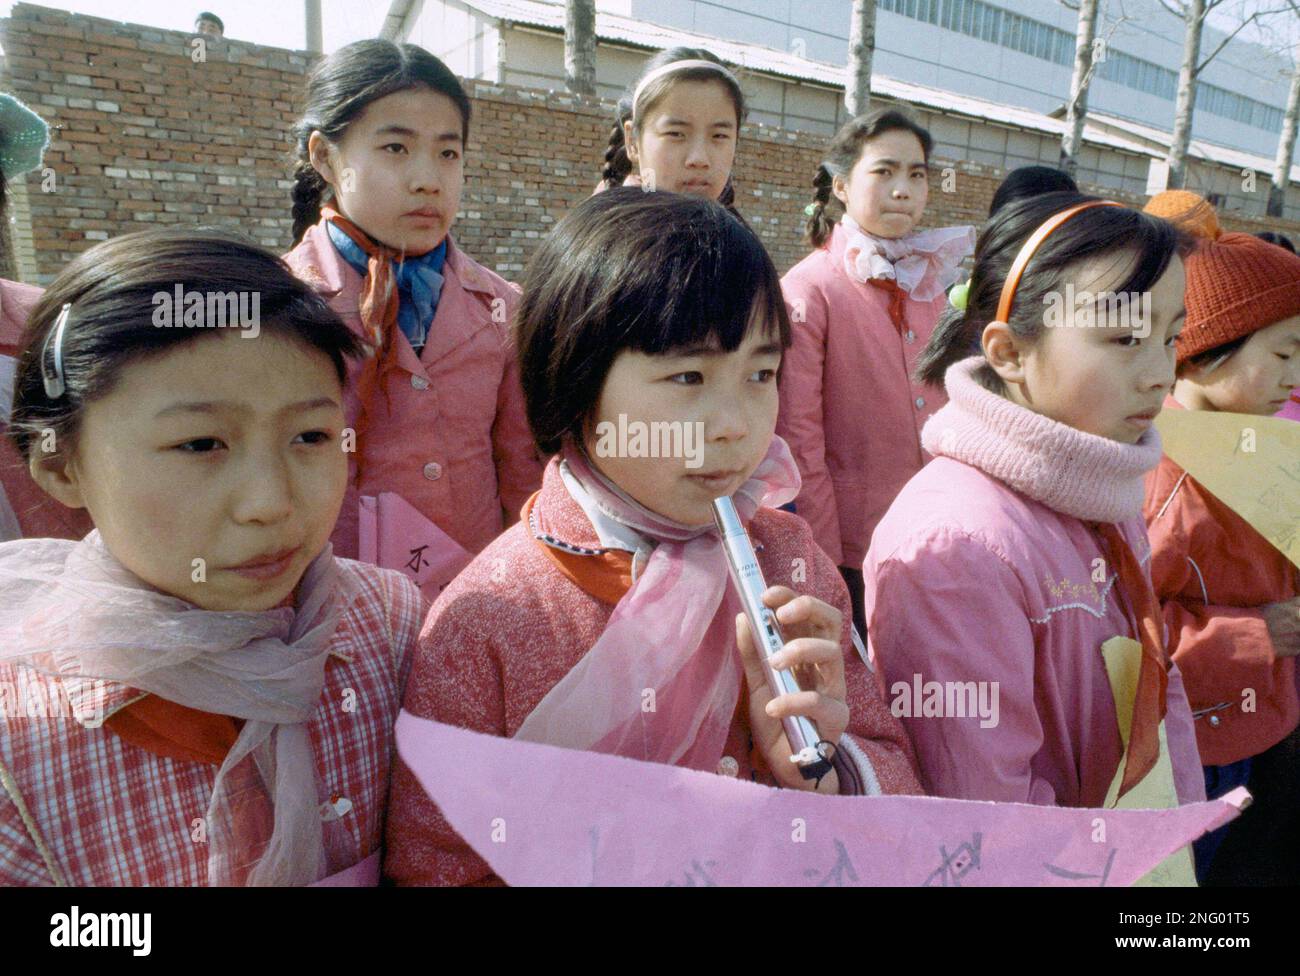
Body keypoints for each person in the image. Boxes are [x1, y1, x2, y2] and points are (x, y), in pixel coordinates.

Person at [385, 190, 924, 886]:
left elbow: (897, 789)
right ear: (577, 381)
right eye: (689, 376)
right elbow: (437, 865)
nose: (736, 424)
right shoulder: (486, 619)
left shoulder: (792, 562)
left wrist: (824, 771)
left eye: (760, 374)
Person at [0, 230, 425, 885]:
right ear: (60, 464)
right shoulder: (20, 751)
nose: (269, 503)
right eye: (201, 444)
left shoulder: (394, 631)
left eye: (310, 436)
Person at [863, 193, 1204, 812]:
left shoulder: (1100, 482)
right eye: (1125, 338)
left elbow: (1157, 681)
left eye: (1171, 336)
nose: (1162, 373)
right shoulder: (955, 548)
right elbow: (988, 816)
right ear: (1009, 352)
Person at [284, 40, 543, 599]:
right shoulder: (279, 308)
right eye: (396, 148)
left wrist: (528, 586)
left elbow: (523, 469)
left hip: (478, 596)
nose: (428, 179)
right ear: (325, 157)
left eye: (448, 154)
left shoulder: (502, 306)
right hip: (336, 607)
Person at [777, 108, 973, 637]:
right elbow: (798, 437)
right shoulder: (808, 289)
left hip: (936, 527)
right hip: (852, 547)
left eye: (917, 174)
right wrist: (824, 555)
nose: (903, 190)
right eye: (883, 172)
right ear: (841, 184)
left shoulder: (930, 282)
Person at [1144, 229, 1300, 884]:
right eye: (1285, 355)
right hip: (1195, 749)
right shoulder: (1171, 476)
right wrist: (1254, 632)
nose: (1295, 380)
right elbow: (1127, 631)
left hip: (1261, 724)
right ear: (1209, 351)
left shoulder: (1249, 446)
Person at [595, 47, 745, 213]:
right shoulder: (599, 235)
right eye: (675, 134)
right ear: (633, 142)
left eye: (719, 135)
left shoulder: (737, 238)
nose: (699, 159)